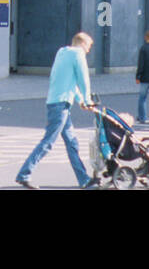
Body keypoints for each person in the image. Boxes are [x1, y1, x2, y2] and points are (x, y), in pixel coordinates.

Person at [16, 32, 96, 189]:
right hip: (61, 105)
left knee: (72, 142)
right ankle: (24, 174)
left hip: (56, 102)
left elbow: (69, 82)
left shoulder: (62, 52)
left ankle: (84, 179)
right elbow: (83, 79)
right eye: (89, 46)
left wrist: (80, 100)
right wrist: (87, 100)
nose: (89, 50)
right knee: (48, 142)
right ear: (82, 43)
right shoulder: (77, 53)